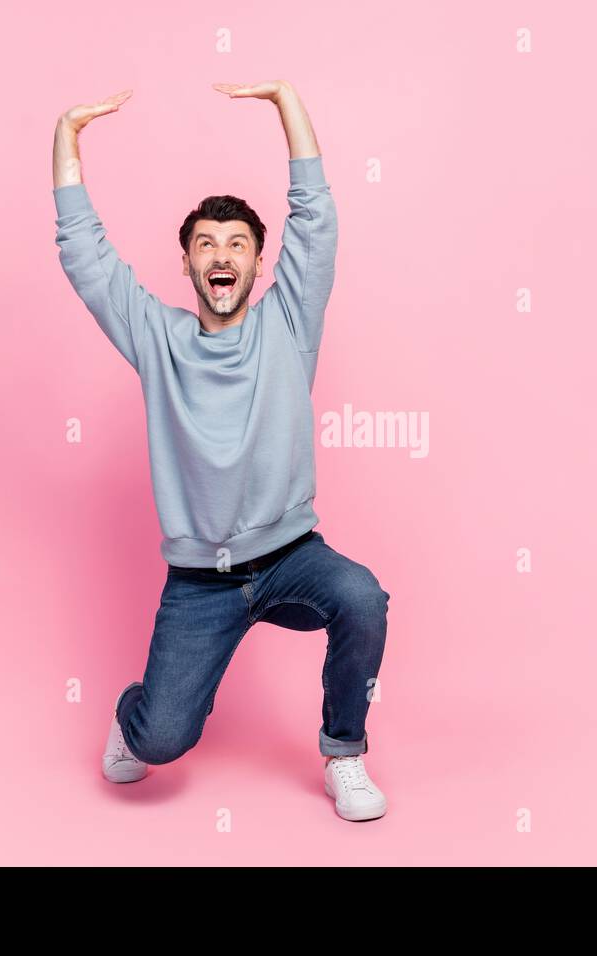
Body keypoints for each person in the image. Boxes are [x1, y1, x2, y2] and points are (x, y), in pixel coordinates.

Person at [51, 81, 389, 821]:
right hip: (200, 581)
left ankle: (345, 753)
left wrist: (287, 102)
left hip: (293, 556)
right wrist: (67, 135)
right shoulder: (157, 339)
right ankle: (135, 713)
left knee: (362, 595)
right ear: (188, 265)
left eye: (237, 243)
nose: (222, 254)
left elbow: (317, 223)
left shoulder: (288, 325)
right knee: (160, 743)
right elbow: (86, 257)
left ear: (260, 260)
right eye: (206, 244)